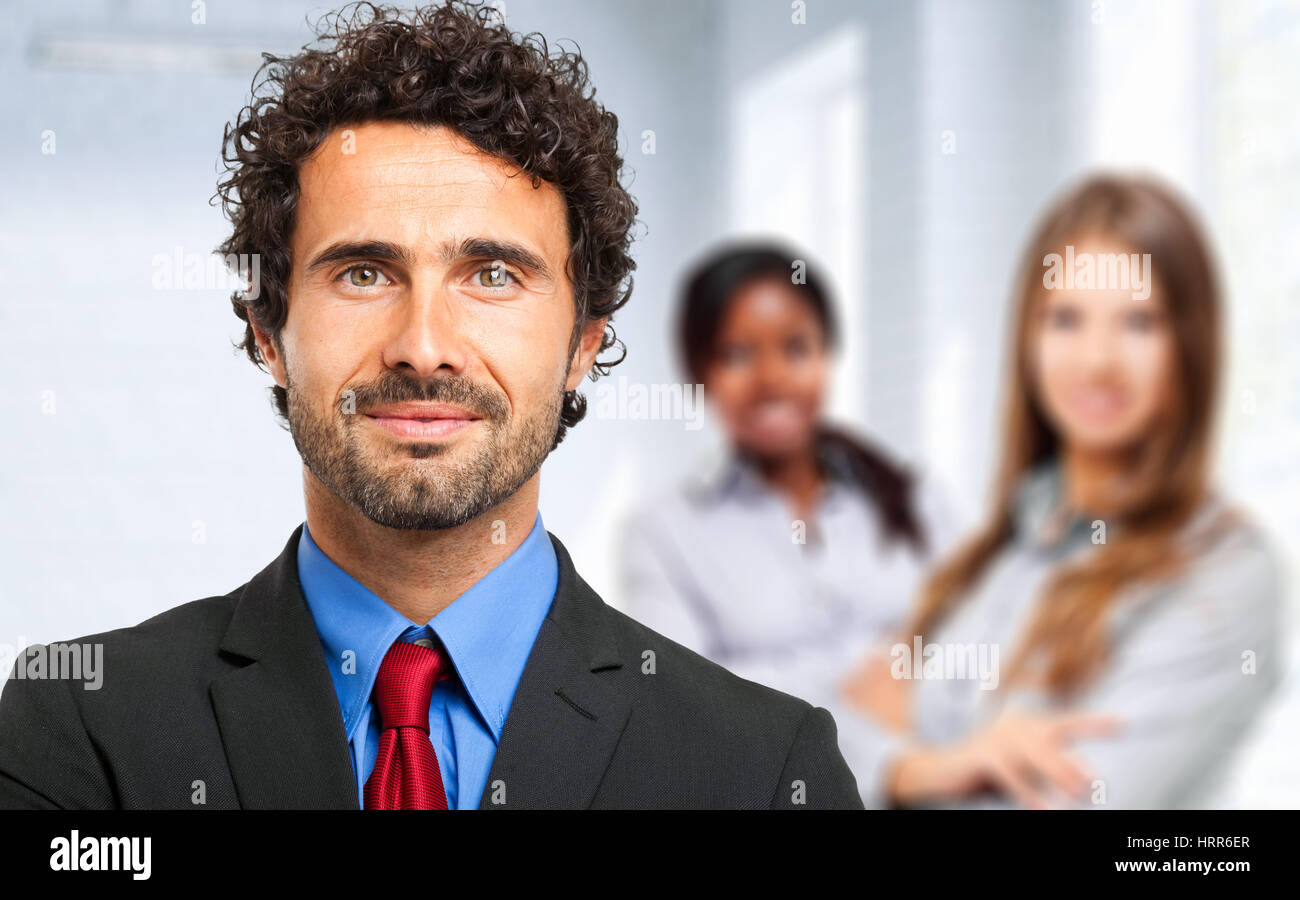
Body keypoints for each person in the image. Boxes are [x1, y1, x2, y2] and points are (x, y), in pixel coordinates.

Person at [0, 1, 862, 810]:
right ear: (269, 331)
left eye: (492, 275)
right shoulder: (81, 730)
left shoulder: (764, 769)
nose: (423, 343)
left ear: (583, 346)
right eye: (363, 272)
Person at [839, 174, 1285, 809]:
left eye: (1139, 322)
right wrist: (928, 770)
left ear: (1190, 344)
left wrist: (896, 762)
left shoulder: (1225, 572)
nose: (1097, 360)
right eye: (1067, 320)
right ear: (1029, 338)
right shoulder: (995, 553)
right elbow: (823, 733)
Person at [619, 243, 963, 803]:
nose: (772, 378)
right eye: (737, 354)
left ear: (827, 354)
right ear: (698, 373)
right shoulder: (665, 532)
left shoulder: (918, 500)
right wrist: (874, 679)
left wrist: (768, 677)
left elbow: (997, 644)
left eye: (796, 348)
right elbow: (689, 709)